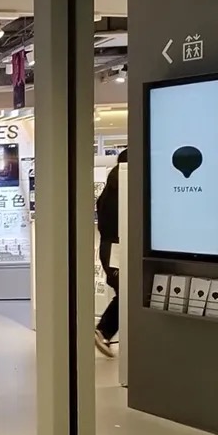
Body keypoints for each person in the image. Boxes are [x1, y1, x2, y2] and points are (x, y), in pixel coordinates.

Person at [95, 149, 127, 358]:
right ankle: (103, 330)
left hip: (109, 249)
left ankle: (105, 331)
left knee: (125, 292)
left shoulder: (109, 190)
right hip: (118, 248)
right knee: (128, 293)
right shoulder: (124, 190)